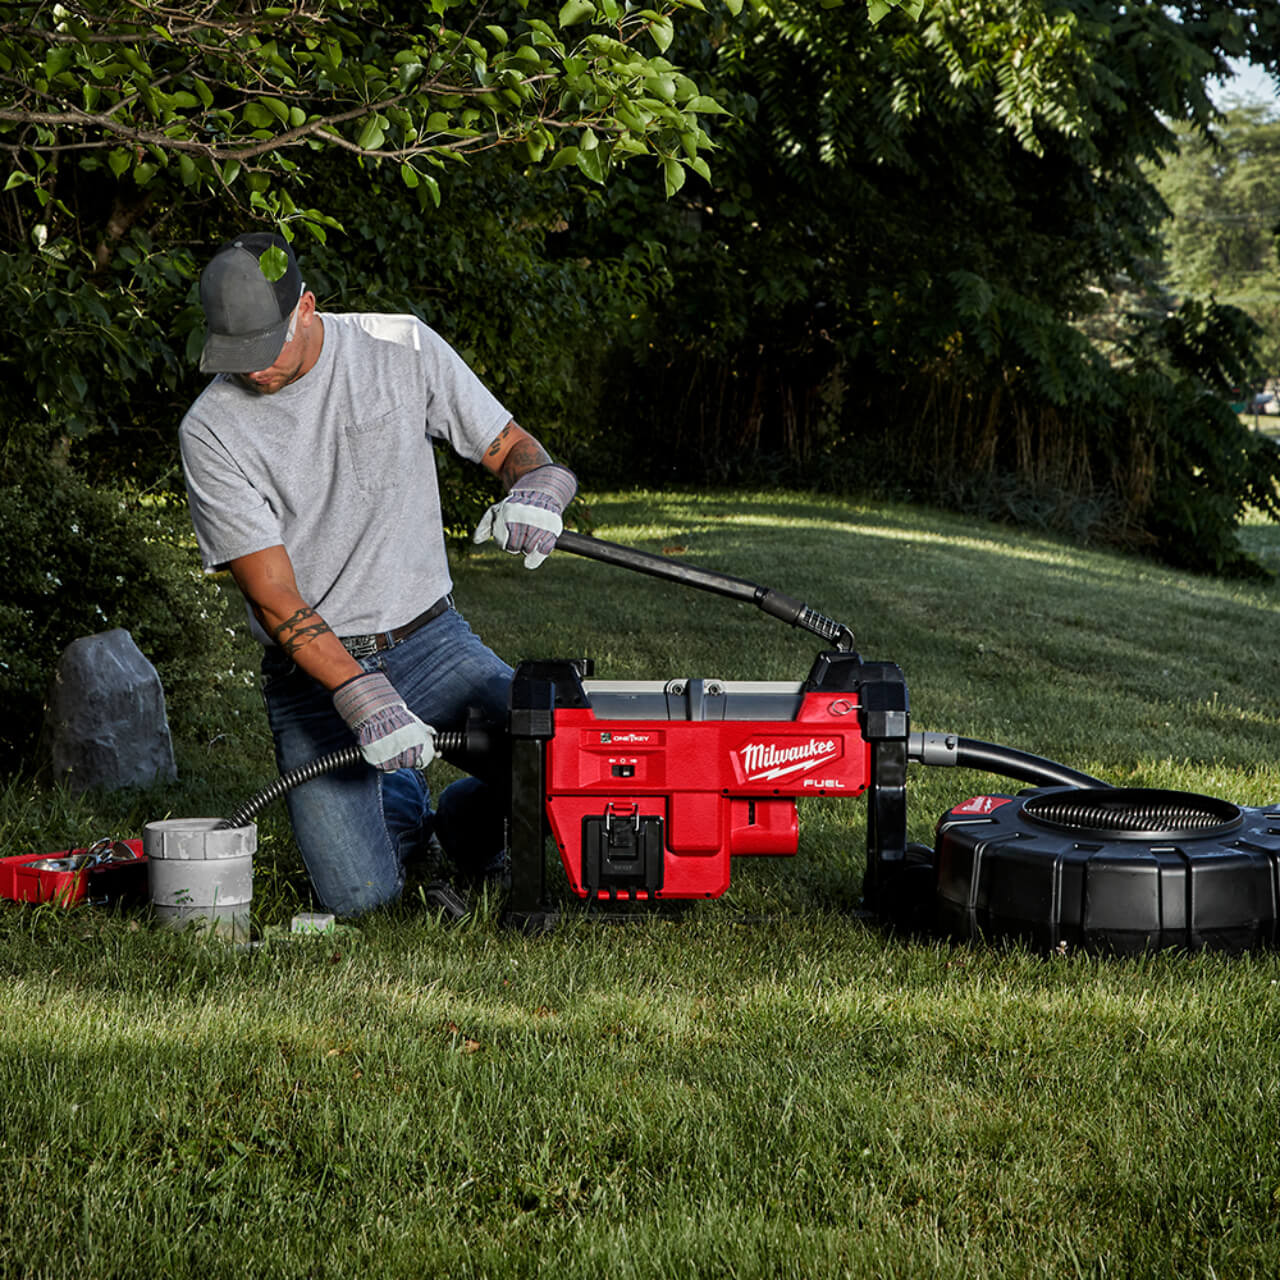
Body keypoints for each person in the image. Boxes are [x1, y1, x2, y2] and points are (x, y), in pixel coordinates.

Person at [179, 231, 576, 917]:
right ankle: (395, 798)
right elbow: (273, 596)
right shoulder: (211, 430)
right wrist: (357, 694)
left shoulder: (399, 346)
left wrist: (539, 486)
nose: (254, 372)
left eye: (265, 349)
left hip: (431, 640)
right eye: (235, 356)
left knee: (570, 763)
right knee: (362, 901)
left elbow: (510, 445)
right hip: (312, 680)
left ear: (306, 307)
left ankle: (463, 820)